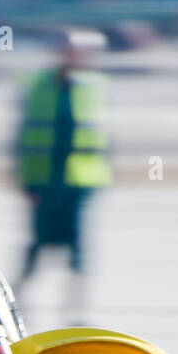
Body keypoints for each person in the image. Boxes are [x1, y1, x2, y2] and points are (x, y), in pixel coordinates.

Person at [15, 28, 111, 323]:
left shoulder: (94, 86)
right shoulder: (39, 84)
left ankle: (76, 312)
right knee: (38, 245)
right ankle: (15, 301)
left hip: (80, 181)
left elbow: (100, 135)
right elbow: (23, 137)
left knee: (79, 249)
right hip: (45, 181)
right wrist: (26, 182)